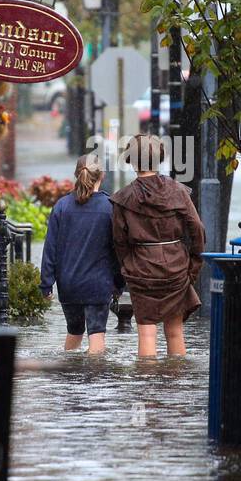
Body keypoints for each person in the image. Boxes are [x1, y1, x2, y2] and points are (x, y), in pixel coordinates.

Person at [110, 134, 205, 358]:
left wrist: (129, 266)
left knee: (146, 334)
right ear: (160, 159)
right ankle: (176, 385)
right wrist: (193, 266)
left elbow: (119, 241)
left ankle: (146, 386)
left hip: (141, 270)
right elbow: (197, 229)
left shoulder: (123, 199)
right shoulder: (179, 192)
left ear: (132, 162)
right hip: (176, 267)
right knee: (175, 331)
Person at [40, 154, 122, 354]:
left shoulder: (62, 206)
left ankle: (70, 374)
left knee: (74, 332)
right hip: (98, 283)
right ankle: (94, 379)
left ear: (77, 175)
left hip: (69, 284)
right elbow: (118, 250)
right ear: (101, 175)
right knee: (96, 333)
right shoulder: (110, 207)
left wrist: (46, 283)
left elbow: (51, 248)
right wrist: (119, 284)